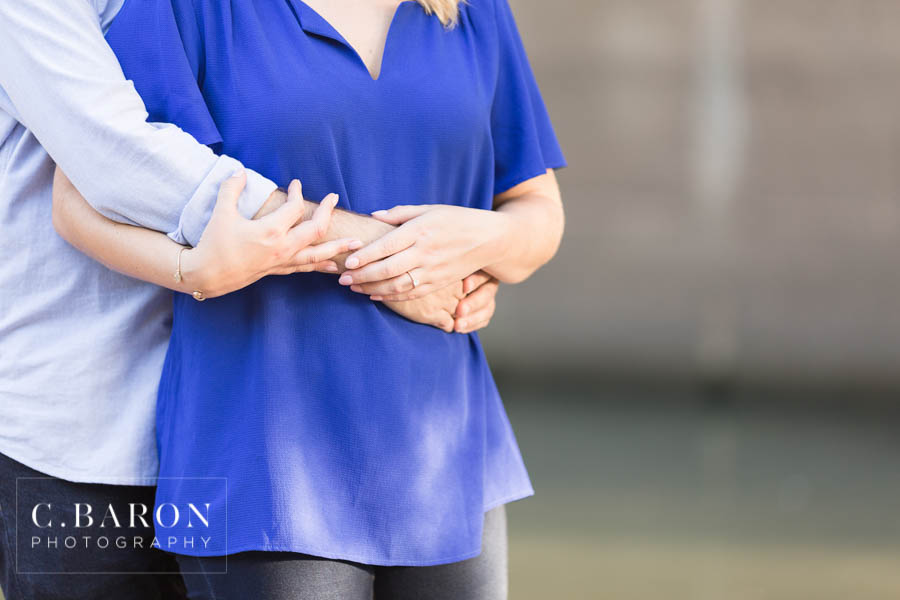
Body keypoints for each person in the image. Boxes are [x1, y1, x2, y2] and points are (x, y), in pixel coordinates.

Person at [51, 0, 565, 598]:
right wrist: (194, 269)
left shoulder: (472, 12)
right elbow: (79, 201)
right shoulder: (188, 9)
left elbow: (538, 213)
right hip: (262, 456)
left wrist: (475, 241)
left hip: (445, 452)